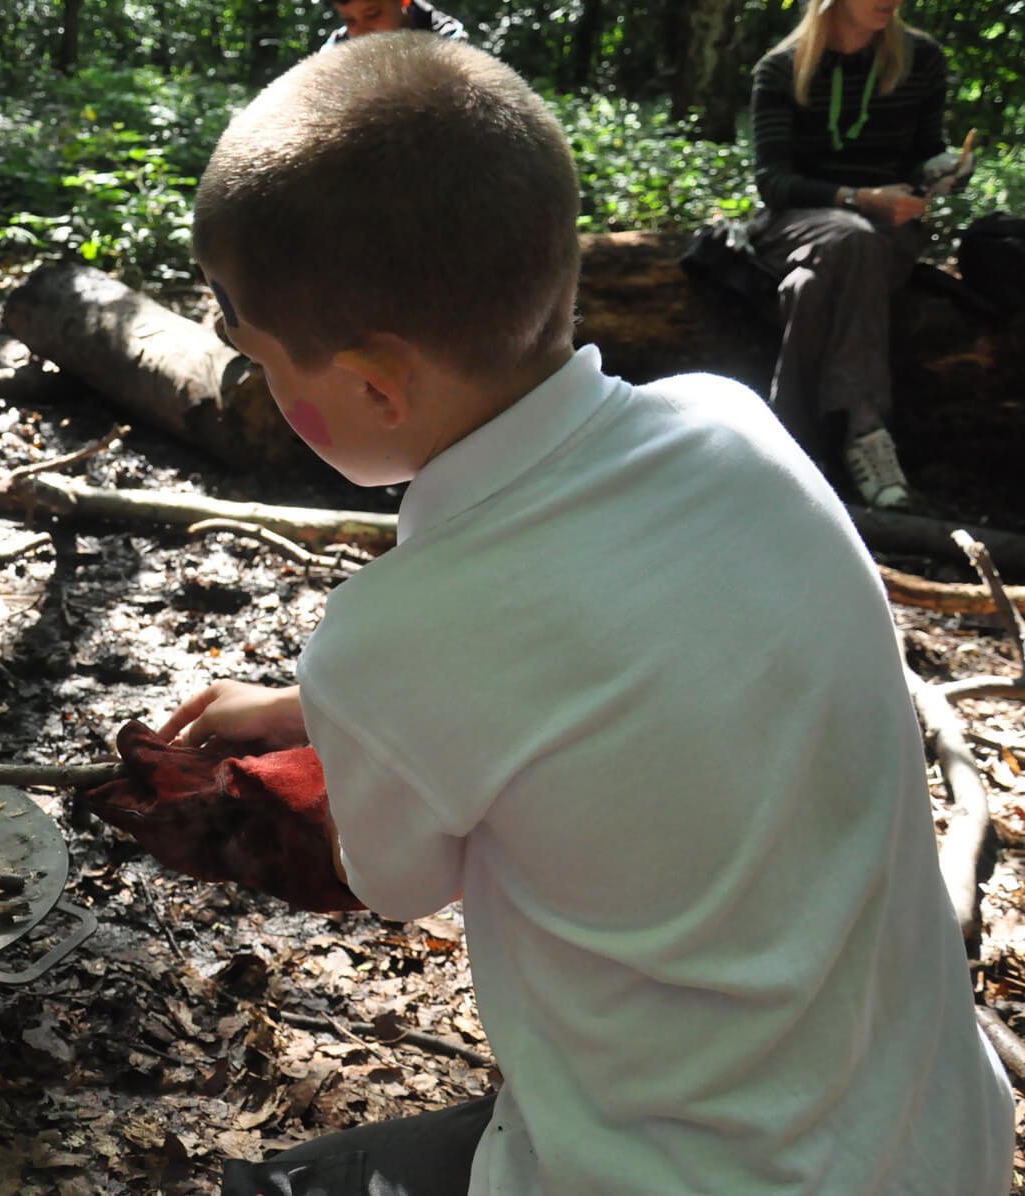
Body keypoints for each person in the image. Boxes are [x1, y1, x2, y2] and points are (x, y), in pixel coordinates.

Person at [112, 30, 1015, 1195]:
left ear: (377, 383)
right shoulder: (730, 427)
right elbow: (607, 659)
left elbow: (391, 874)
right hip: (928, 1141)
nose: (250, 371)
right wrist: (299, 705)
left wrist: (323, 719)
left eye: (252, 344)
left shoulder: (396, 636)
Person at [747, 0, 961, 509]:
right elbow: (773, 183)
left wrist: (942, 172)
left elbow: (924, 150)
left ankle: (788, 450)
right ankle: (866, 429)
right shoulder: (780, 69)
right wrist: (858, 199)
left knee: (809, 286)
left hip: (889, 231)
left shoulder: (921, 58)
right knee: (853, 238)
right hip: (801, 223)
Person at [324, 0, 464, 47]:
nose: (360, 32)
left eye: (372, 14)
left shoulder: (447, 40)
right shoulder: (338, 44)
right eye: (349, 20)